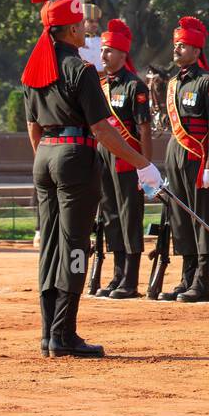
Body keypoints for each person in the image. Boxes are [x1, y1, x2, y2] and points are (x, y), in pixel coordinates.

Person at [21, 0, 162, 357]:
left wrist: (47, 159)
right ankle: (65, 335)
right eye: (82, 23)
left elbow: (33, 128)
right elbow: (102, 129)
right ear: (69, 27)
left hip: (45, 156)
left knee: (50, 247)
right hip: (75, 158)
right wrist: (143, 164)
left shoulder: (36, 71)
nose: (88, 29)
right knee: (76, 247)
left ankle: (48, 334)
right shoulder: (80, 71)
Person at [162, 16, 209, 303]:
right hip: (175, 152)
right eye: (175, 45)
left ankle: (202, 279)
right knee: (181, 217)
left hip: (197, 155)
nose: (176, 50)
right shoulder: (173, 83)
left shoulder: (208, 82)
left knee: (201, 218)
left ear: (197, 51)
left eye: (182, 45)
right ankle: (187, 276)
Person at [92, 19, 152, 299]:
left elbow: (143, 130)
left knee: (130, 218)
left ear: (122, 54)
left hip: (129, 162)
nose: (103, 55)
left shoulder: (135, 87)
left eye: (108, 51)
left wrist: (146, 167)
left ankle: (130, 279)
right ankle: (117, 275)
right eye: (102, 50)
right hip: (105, 160)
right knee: (111, 217)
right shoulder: (101, 86)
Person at [78, 3, 105, 71]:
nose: (95, 24)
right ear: (83, 22)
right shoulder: (76, 41)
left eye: (96, 21)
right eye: (91, 21)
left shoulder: (103, 41)